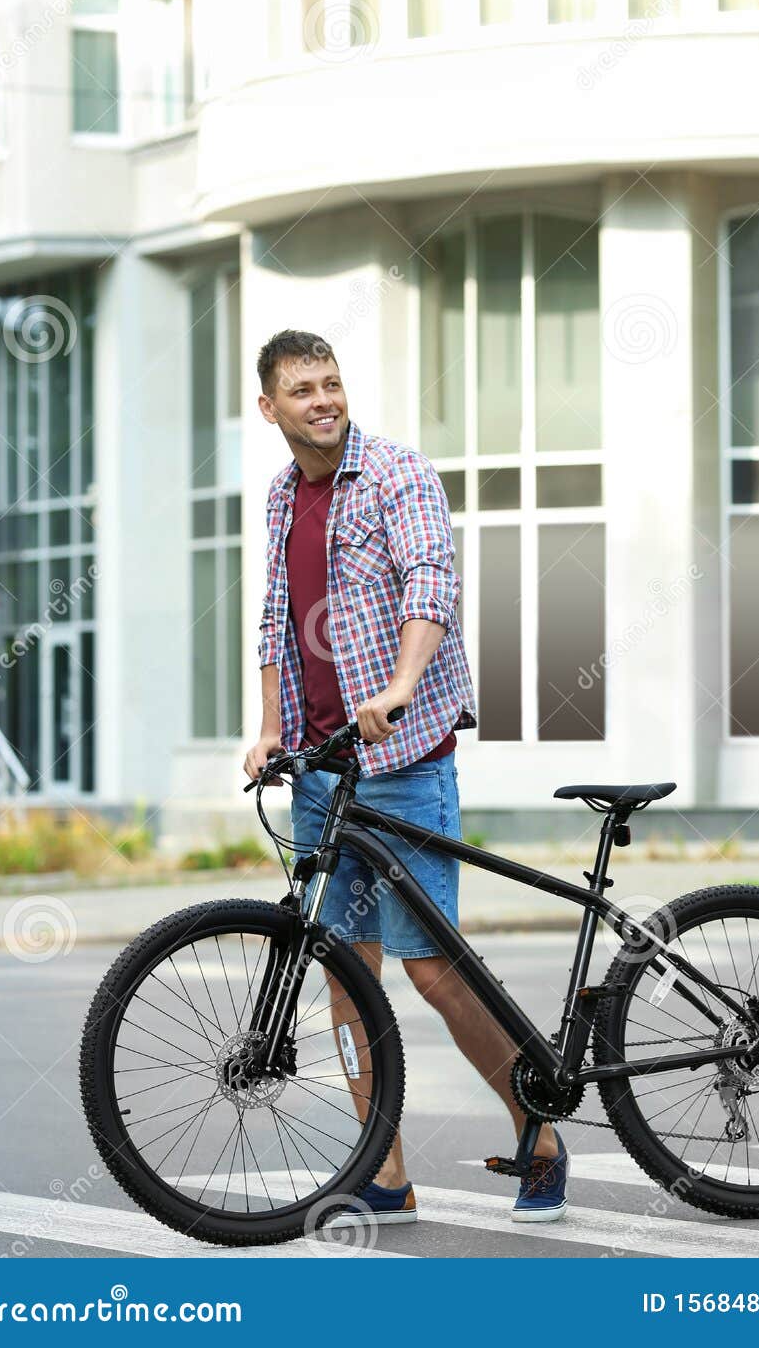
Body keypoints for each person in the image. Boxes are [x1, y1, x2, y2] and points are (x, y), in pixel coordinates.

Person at [243, 329, 568, 1225]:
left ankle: (538, 1135)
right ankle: (381, 1173)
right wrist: (271, 726)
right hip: (322, 774)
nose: (323, 399)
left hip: (401, 762)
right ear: (269, 408)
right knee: (345, 972)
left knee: (433, 972)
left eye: (332, 383)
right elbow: (276, 617)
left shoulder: (395, 474)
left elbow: (433, 581)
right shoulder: (280, 498)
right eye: (302, 389)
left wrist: (400, 683)